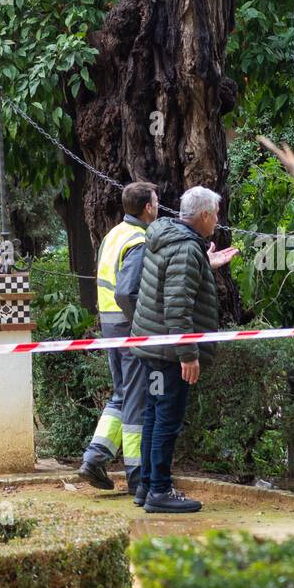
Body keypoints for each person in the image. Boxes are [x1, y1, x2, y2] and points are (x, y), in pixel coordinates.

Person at [131, 185, 238, 513]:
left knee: (154, 412)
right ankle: (160, 491)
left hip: (153, 346)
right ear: (204, 215)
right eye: (216, 214)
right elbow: (177, 306)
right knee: (167, 417)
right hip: (169, 353)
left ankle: (147, 486)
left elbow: (172, 282)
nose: (217, 221)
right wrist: (188, 354)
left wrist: (206, 264)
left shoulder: (169, 237)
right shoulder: (186, 250)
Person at [78, 181, 159, 495]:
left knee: (123, 394)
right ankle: (138, 477)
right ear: (148, 207)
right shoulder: (139, 240)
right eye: (156, 201)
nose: (158, 205)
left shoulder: (113, 234)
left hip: (110, 327)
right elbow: (127, 292)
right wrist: (142, 324)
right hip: (128, 329)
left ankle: (95, 458)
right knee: (137, 402)